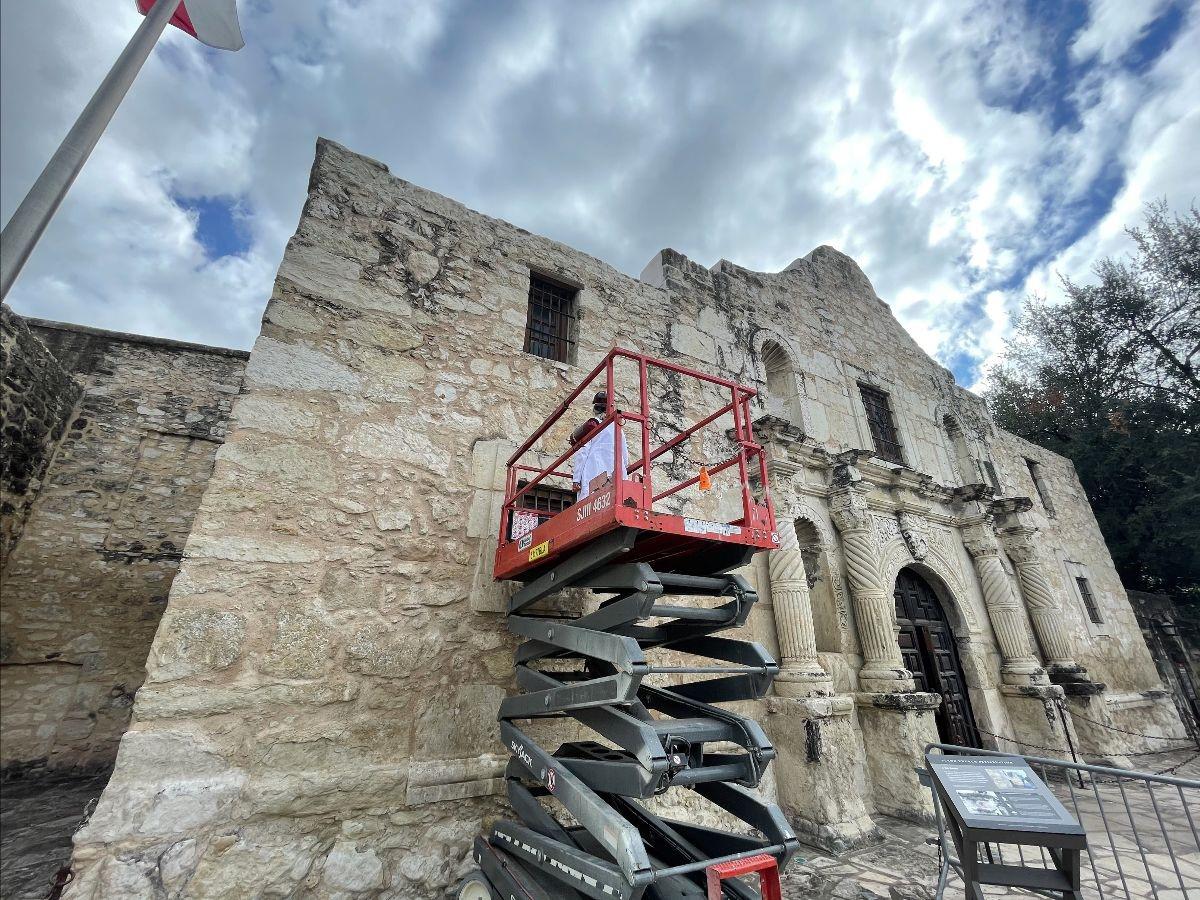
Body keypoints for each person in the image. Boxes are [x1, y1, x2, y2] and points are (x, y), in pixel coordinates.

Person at [570, 390, 627, 500]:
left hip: (594, 470)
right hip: (615, 473)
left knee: (589, 503)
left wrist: (576, 479)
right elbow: (624, 454)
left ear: (595, 409)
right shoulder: (618, 428)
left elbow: (583, 452)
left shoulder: (592, 425)